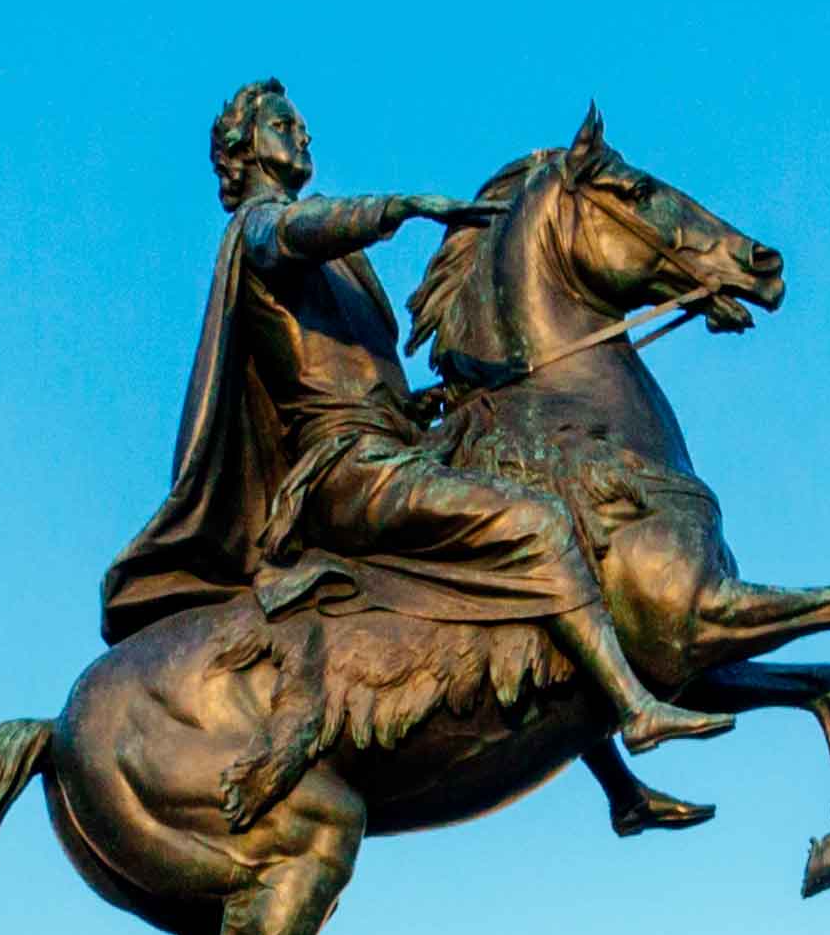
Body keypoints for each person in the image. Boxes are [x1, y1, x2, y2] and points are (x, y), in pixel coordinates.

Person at [99, 80, 731, 755]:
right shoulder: (259, 228)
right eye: (286, 125)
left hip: (391, 449)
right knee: (535, 523)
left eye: (303, 126)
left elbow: (355, 378)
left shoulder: (343, 266)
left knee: (535, 521)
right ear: (245, 150)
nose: (304, 136)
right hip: (345, 471)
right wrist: (395, 208)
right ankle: (636, 708)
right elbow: (280, 235)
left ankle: (613, 778)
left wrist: (421, 404)